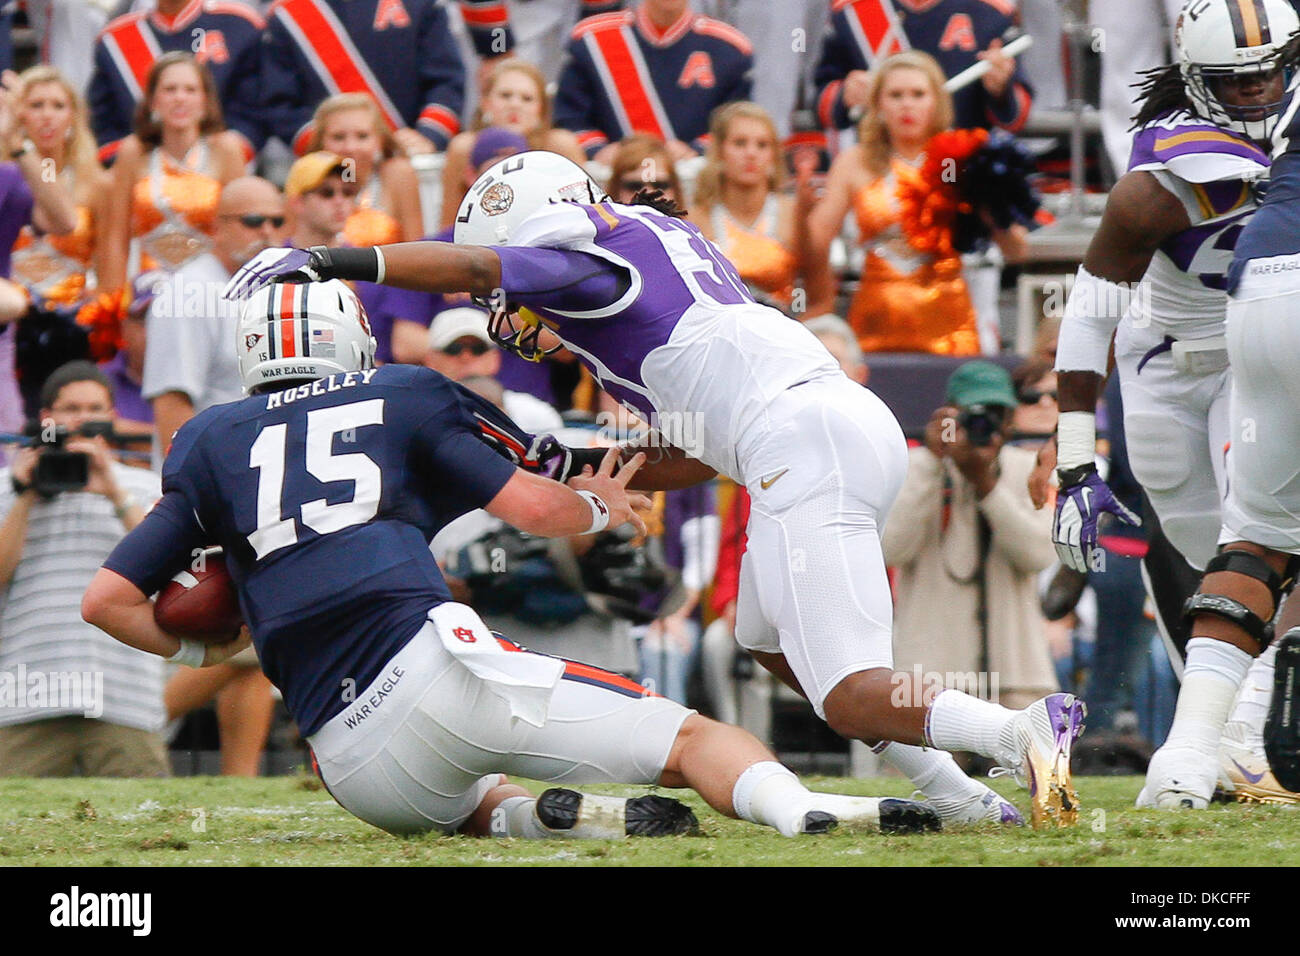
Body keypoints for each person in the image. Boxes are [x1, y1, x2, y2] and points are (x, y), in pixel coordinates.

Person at [223, 149, 1087, 828]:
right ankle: (965, 797)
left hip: (802, 441)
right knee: (765, 640)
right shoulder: (647, 253)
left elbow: (476, 264)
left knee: (848, 689)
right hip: (810, 430)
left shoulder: (588, 260)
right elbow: (706, 449)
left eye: (512, 271)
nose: (507, 303)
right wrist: (573, 468)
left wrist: (330, 258)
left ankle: (1018, 735)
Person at [82, 279, 941, 839]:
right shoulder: (404, 392)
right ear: (350, 343)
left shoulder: (205, 440)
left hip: (349, 763)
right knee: (696, 737)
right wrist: (599, 502)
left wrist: (222, 644)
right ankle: (813, 813)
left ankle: (566, 821)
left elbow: (108, 601)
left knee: (463, 801)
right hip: (434, 673)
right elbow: (534, 505)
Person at [1044, 0, 1300, 808]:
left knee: (1254, 537)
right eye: (1238, 79)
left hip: (1246, 360)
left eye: (1270, 71)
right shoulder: (1156, 183)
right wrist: (1074, 462)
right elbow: (1087, 318)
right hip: (1159, 365)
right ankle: (1223, 736)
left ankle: (1234, 740)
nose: (1259, 91)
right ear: (1195, 79)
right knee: (1201, 551)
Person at [143, 176, 285, 776]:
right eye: (254, 221)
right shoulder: (190, 292)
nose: (269, 233)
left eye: (277, 221)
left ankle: (240, 778)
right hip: (213, 487)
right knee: (243, 632)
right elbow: (171, 406)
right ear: (218, 225)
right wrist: (200, 496)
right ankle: (134, 724)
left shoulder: (267, 290)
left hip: (260, 480)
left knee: (245, 627)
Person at [0, 361, 167, 776]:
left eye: (95, 409)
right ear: (46, 418)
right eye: (70, 408)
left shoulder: (143, 486)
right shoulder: (9, 484)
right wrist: (24, 495)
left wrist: (114, 491)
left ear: (112, 418)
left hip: (124, 692)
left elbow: (167, 573)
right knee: (14, 830)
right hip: (28, 694)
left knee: (144, 827)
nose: (82, 419)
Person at [884, 361, 1058, 711]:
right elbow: (889, 548)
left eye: (997, 414)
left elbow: (1038, 555)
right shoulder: (914, 466)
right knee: (925, 765)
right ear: (949, 418)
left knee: (1029, 763)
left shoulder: (1027, 469)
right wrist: (934, 462)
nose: (986, 425)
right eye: (973, 415)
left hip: (1016, 669)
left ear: (1010, 421)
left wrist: (986, 484)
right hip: (930, 671)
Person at [802, 51, 981, 354]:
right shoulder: (854, 162)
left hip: (950, 320)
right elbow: (814, 246)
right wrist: (801, 211)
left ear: (937, 101)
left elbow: (1015, 249)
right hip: (876, 317)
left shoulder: (963, 158)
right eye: (895, 95)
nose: (907, 104)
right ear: (878, 104)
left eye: (918, 94)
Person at [98, 54, 247, 296]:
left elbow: (241, 229)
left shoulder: (227, 149)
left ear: (205, 101)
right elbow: (117, 235)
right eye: (170, 89)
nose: (180, 98)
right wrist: (113, 302)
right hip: (150, 290)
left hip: (212, 289)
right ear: (153, 101)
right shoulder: (133, 151)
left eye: (190, 90)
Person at [554, 0, 755, 163]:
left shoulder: (730, 48)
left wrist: (696, 150)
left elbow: (737, 123)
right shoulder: (591, 39)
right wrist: (599, 150)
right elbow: (570, 119)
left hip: (696, 183)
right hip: (609, 182)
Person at [262, 0, 465, 155]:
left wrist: (428, 135)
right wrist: (332, 147)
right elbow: (280, 105)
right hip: (334, 173)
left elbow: (447, 79)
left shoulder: (421, 3)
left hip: (414, 160)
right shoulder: (287, 14)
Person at [812, 0, 1031, 136]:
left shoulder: (991, 11)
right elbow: (822, 108)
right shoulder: (851, 11)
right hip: (880, 176)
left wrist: (1000, 90)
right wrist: (845, 95)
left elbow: (1017, 117)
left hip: (961, 175)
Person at [87, 0, 264, 164]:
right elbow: (102, 126)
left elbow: (254, 111)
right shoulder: (115, 38)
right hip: (139, 176)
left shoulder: (240, 25)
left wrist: (210, 161)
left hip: (223, 169)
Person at [439, 60, 586, 230]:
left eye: (527, 98)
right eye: (505, 95)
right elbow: (449, 225)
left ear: (541, 109)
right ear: (485, 103)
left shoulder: (560, 146)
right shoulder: (465, 147)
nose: (515, 105)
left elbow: (587, 215)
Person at [691, 102, 801, 311]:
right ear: (720, 150)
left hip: (783, 329)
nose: (751, 153)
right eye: (740, 143)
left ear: (774, 155)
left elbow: (812, 291)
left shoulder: (794, 213)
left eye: (762, 145)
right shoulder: (696, 217)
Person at [305, 95, 424, 247]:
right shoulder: (305, 180)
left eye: (362, 136)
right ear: (320, 142)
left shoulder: (399, 174)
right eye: (338, 137)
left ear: (380, 140)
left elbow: (418, 251)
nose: (350, 147)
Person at [285, 151, 359, 251]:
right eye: (327, 193)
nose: (339, 201)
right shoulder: (275, 262)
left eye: (347, 192)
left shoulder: (360, 262)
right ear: (298, 203)